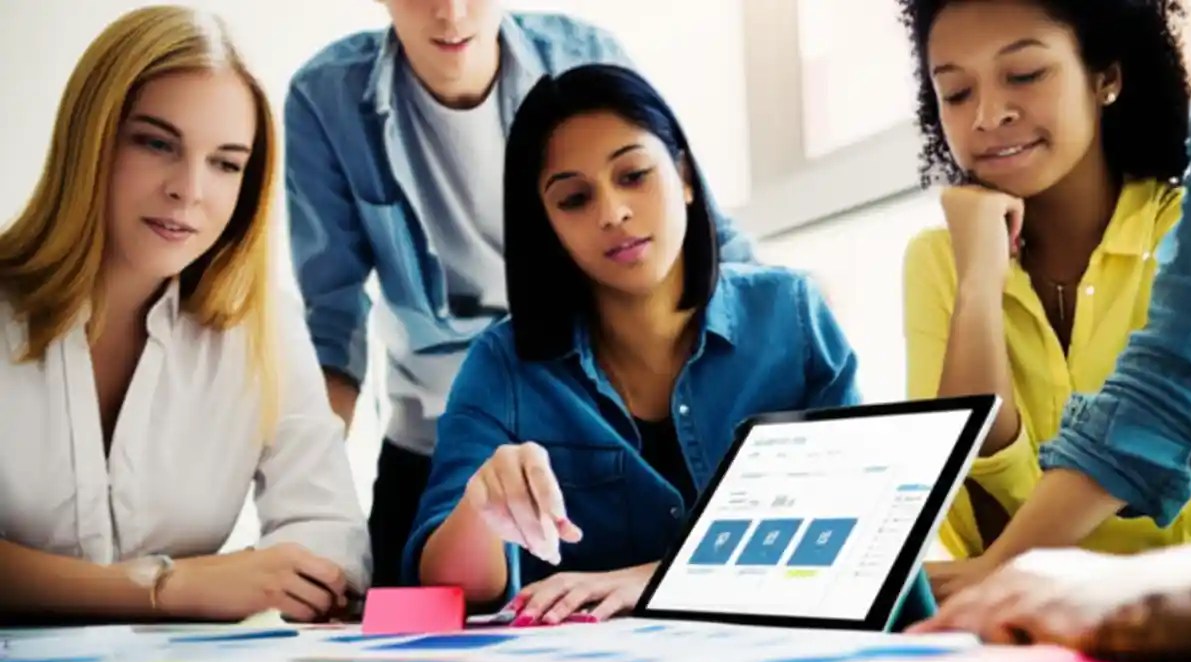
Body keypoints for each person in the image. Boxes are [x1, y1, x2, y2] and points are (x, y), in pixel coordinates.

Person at [404, 64, 934, 626]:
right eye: (575, 199)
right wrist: (483, 508)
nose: (613, 213)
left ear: (683, 174)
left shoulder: (790, 315)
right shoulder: (503, 365)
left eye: (633, 174)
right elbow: (451, 590)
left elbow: (864, 531)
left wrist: (659, 577)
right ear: (546, 226)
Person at [286, 0, 756, 588]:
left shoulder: (583, 58)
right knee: (414, 633)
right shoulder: (326, 100)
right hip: (435, 434)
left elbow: (700, 230)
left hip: (588, 420)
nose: (450, 13)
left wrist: (777, 326)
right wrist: (304, 506)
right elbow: (332, 323)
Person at [909, 0, 1191, 662]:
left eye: (1024, 74)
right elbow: (1170, 383)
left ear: (1106, 77)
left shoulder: (1169, 215)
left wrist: (1006, 564)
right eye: (957, 92)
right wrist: (978, 282)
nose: (988, 116)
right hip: (1188, 615)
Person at [0, 5, 370, 623]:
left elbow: (330, 535)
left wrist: (266, 577)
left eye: (225, 163)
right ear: (89, 139)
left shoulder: (262, 328)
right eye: (156, 143)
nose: (189, 189)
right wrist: (170, 588)